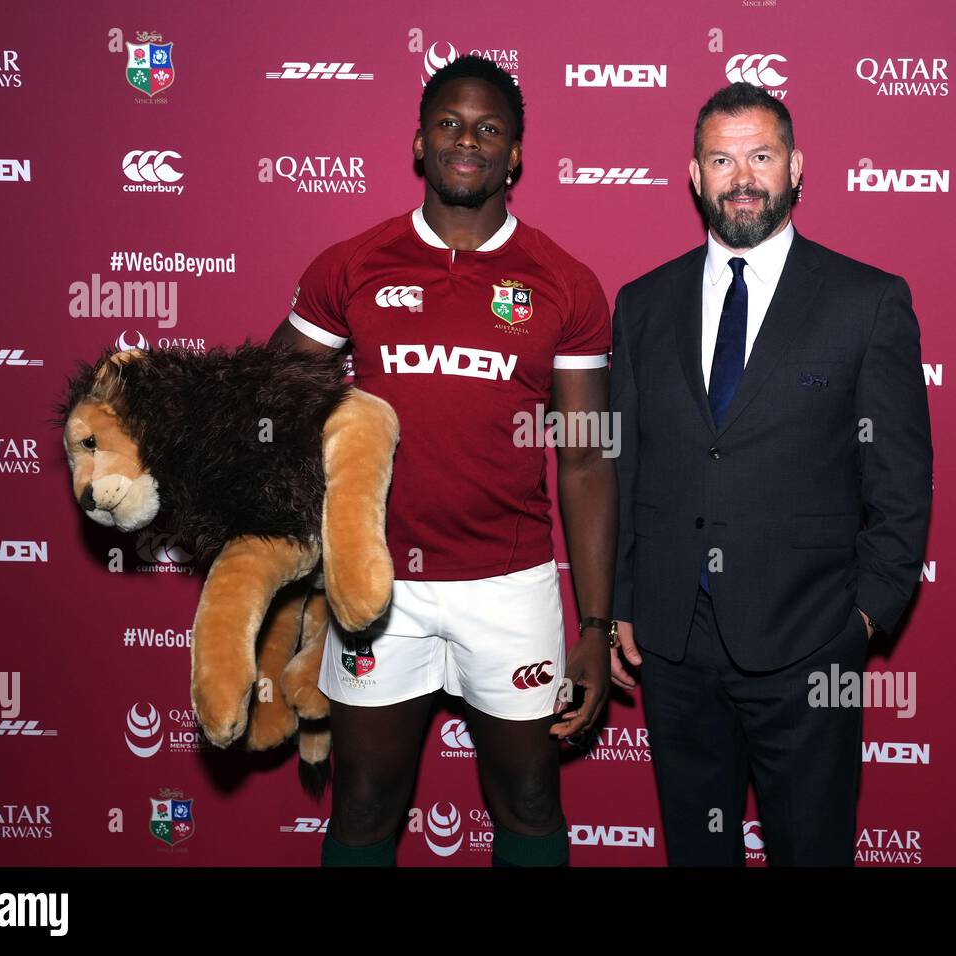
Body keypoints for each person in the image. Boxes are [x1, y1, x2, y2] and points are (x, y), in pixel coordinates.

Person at [268, 55, 616, 867]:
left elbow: (589, 461)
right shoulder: (350, 266)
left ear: (516, 154)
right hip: (379, 586)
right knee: (363, 799)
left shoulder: (564, 283)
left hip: (510, 581)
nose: (469, 141)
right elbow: (269, 409)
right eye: (450, 124)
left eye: (490, 128)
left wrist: (595, 624)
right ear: (420, 143)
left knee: (529, 797)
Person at [608, 82, 932, 866]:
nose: (742, 176)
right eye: (722, 158)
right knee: (696, 851)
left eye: (761, 155)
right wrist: (621, 603)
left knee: (813, 850)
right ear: (694, 175)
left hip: (809, 642)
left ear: (796, 168)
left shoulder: (868, 301)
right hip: (675, 644)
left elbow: (901, 481)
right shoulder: (644, 302)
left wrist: (859, 623)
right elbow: (625, 465)